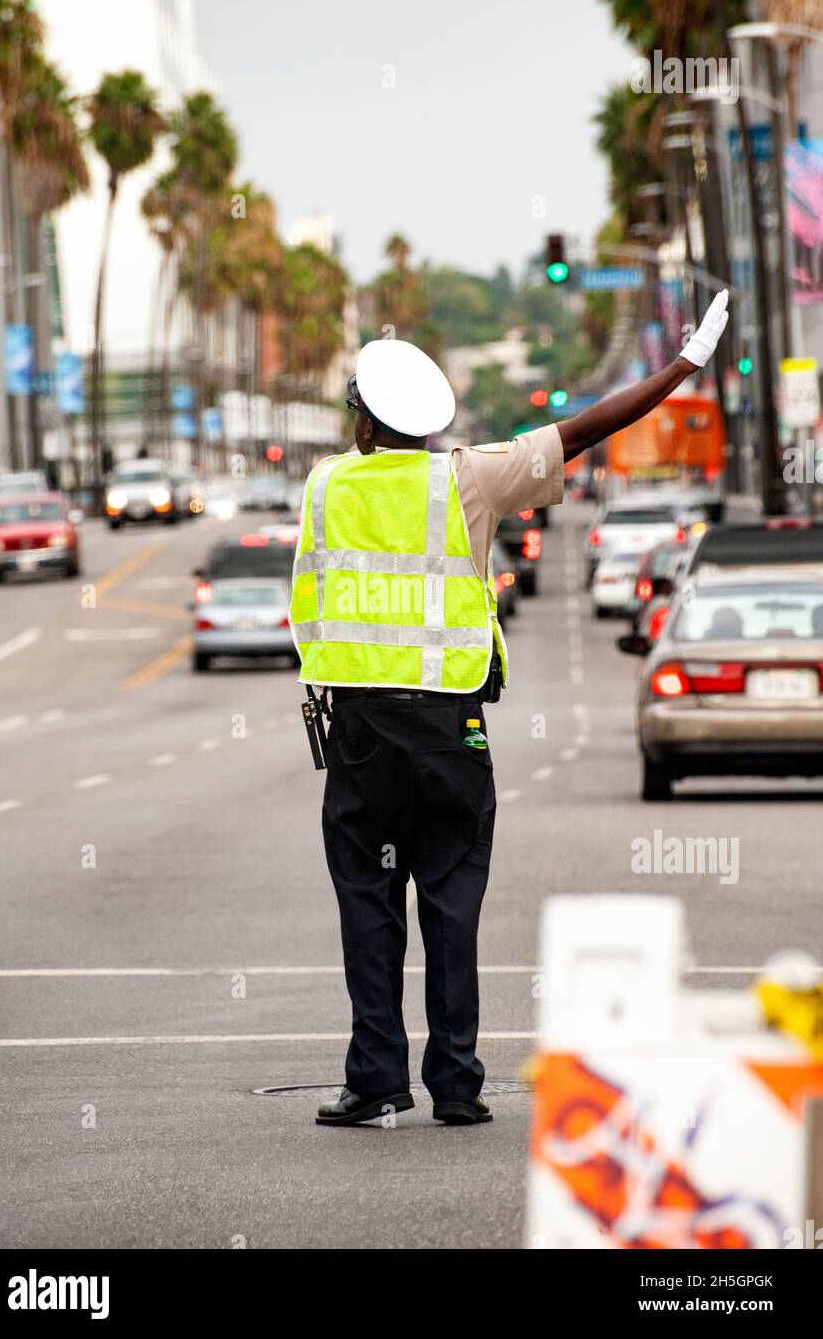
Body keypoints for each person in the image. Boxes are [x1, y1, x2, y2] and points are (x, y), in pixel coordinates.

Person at [290, 291, 730, 1128]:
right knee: (451, 907)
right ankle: (456, 1085)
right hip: (448, 730)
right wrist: (682, 367)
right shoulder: (466, 480)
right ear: (423, 425)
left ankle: (375, 1079)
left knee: (367, 908)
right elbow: (583, 430)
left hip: (356, 737)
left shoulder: (324, 486)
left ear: (360, 419)